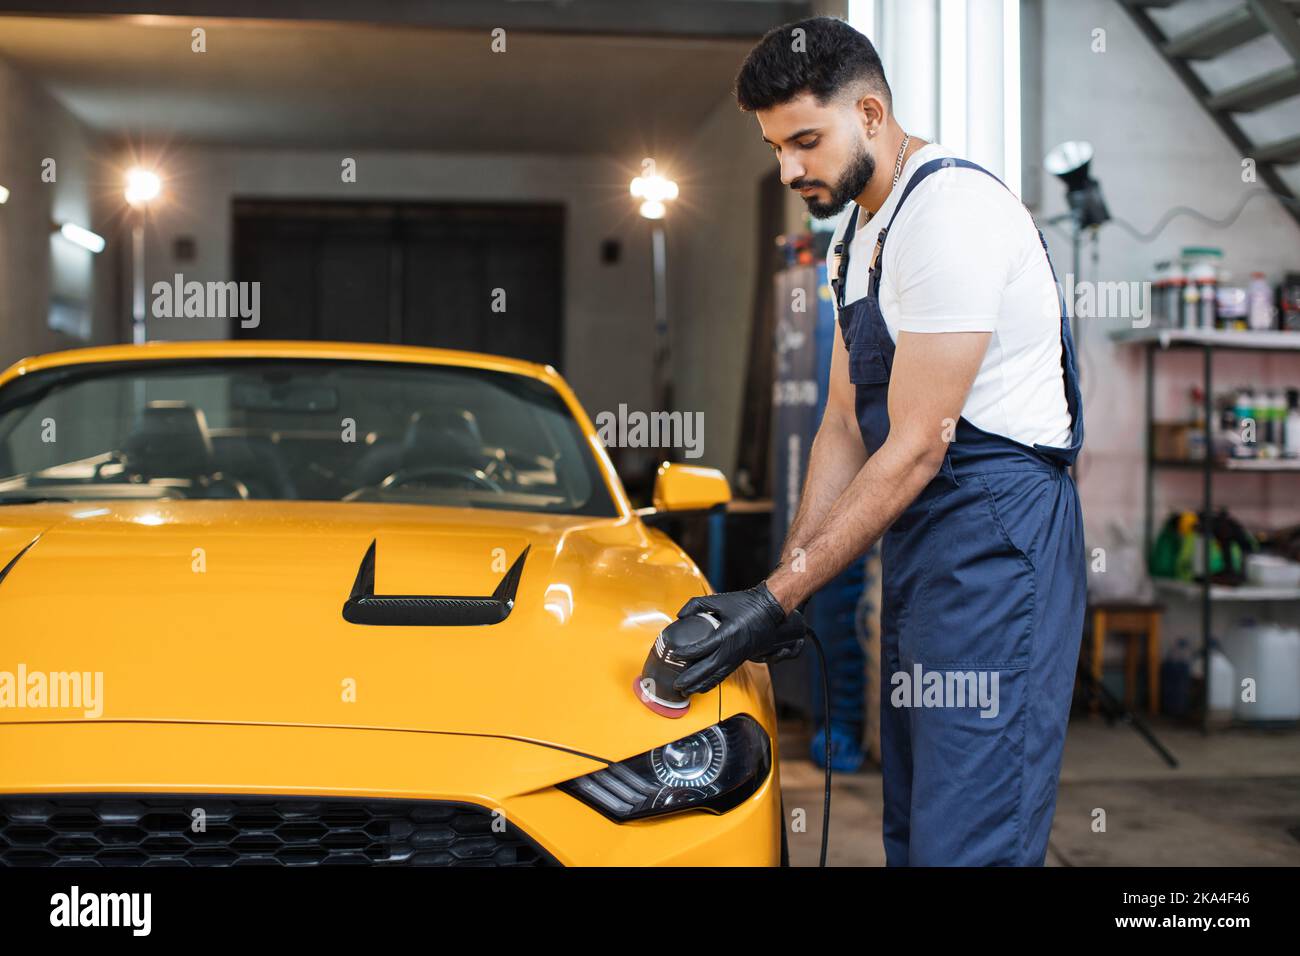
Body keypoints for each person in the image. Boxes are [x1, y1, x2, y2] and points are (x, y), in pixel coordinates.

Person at [670, 16, 1086, 866]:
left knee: (970, 830)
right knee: (914, 820)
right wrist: (784, 580)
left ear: (868, 113)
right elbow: (841, 429)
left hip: (998, 532)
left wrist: (776, 597)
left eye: (805, 142)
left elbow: (919, 445)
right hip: (926, 539)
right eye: (776, 148)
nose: (789, 170)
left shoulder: (949, 214)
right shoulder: (855, 238)